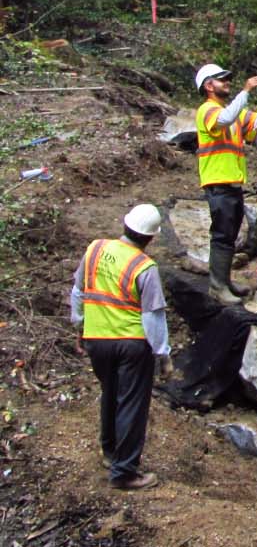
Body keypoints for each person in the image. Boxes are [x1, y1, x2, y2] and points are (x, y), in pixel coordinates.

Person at [70, 204, 172, 491]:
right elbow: (153, 317)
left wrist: (80, 326)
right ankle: (124, 472)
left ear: (125, 225)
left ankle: (110, 452)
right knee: (131, 403)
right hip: (131, 344)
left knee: (110, 393)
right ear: (150, 237)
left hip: (97, 339)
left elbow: (78, 291)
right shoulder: (145, 267)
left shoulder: (95, 249)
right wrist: (163, 354)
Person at [194, 62, 257, 304]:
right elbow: (225, 118)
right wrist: (246, 90)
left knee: (229, 235)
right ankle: (217, 287)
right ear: (209, 86)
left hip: (232, 183)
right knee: (222, 235)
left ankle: (225, 281)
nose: (227, 83)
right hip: (217, 183)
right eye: (222, 80)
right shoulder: (207, 110)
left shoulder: (233, 113)